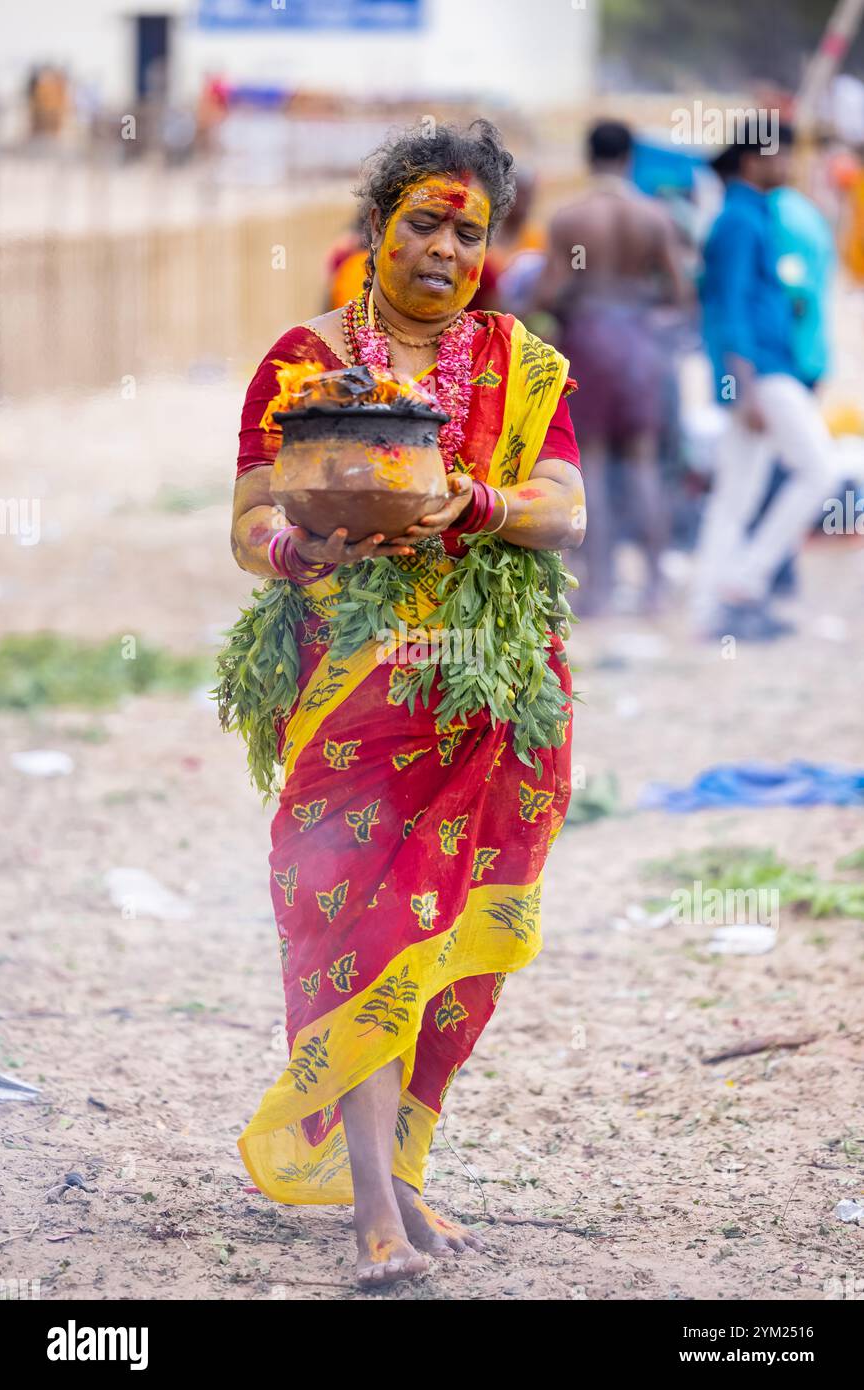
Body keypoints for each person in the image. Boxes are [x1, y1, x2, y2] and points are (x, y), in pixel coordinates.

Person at [229, 120, 586, 1288]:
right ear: (377, 222)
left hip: (487, 691)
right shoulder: (303, 361)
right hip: (351, 690)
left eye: (468, 232)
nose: (444, 248)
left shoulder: (521, 363)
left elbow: (566, 510)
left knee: (441, 945)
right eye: (423, 220)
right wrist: (297, 555)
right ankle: (373, 1207)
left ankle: (408, 1176)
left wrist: (478, 503)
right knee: (358, 927)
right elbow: (246, 523)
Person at [534, 120, 688, 615]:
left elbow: (548, 292)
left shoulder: (570, 219)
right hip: (640, 340)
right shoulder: (654, 216)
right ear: (630, 159)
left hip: (590, 338)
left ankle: (598, 589)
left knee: (592, 464)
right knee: (643, 463)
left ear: (588, 157)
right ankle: (653, 590)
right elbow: (680, 292)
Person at [691, 121, 838, 640]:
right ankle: (744, 582)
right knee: (821, 470)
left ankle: (710, 607)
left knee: (735, 495)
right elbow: (728, 309)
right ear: (754, 160)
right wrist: (745, 386)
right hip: (761, 374)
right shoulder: (739, 220)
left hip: (755, 373)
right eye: (782, 155)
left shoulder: (749, 214)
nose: (788, 165)